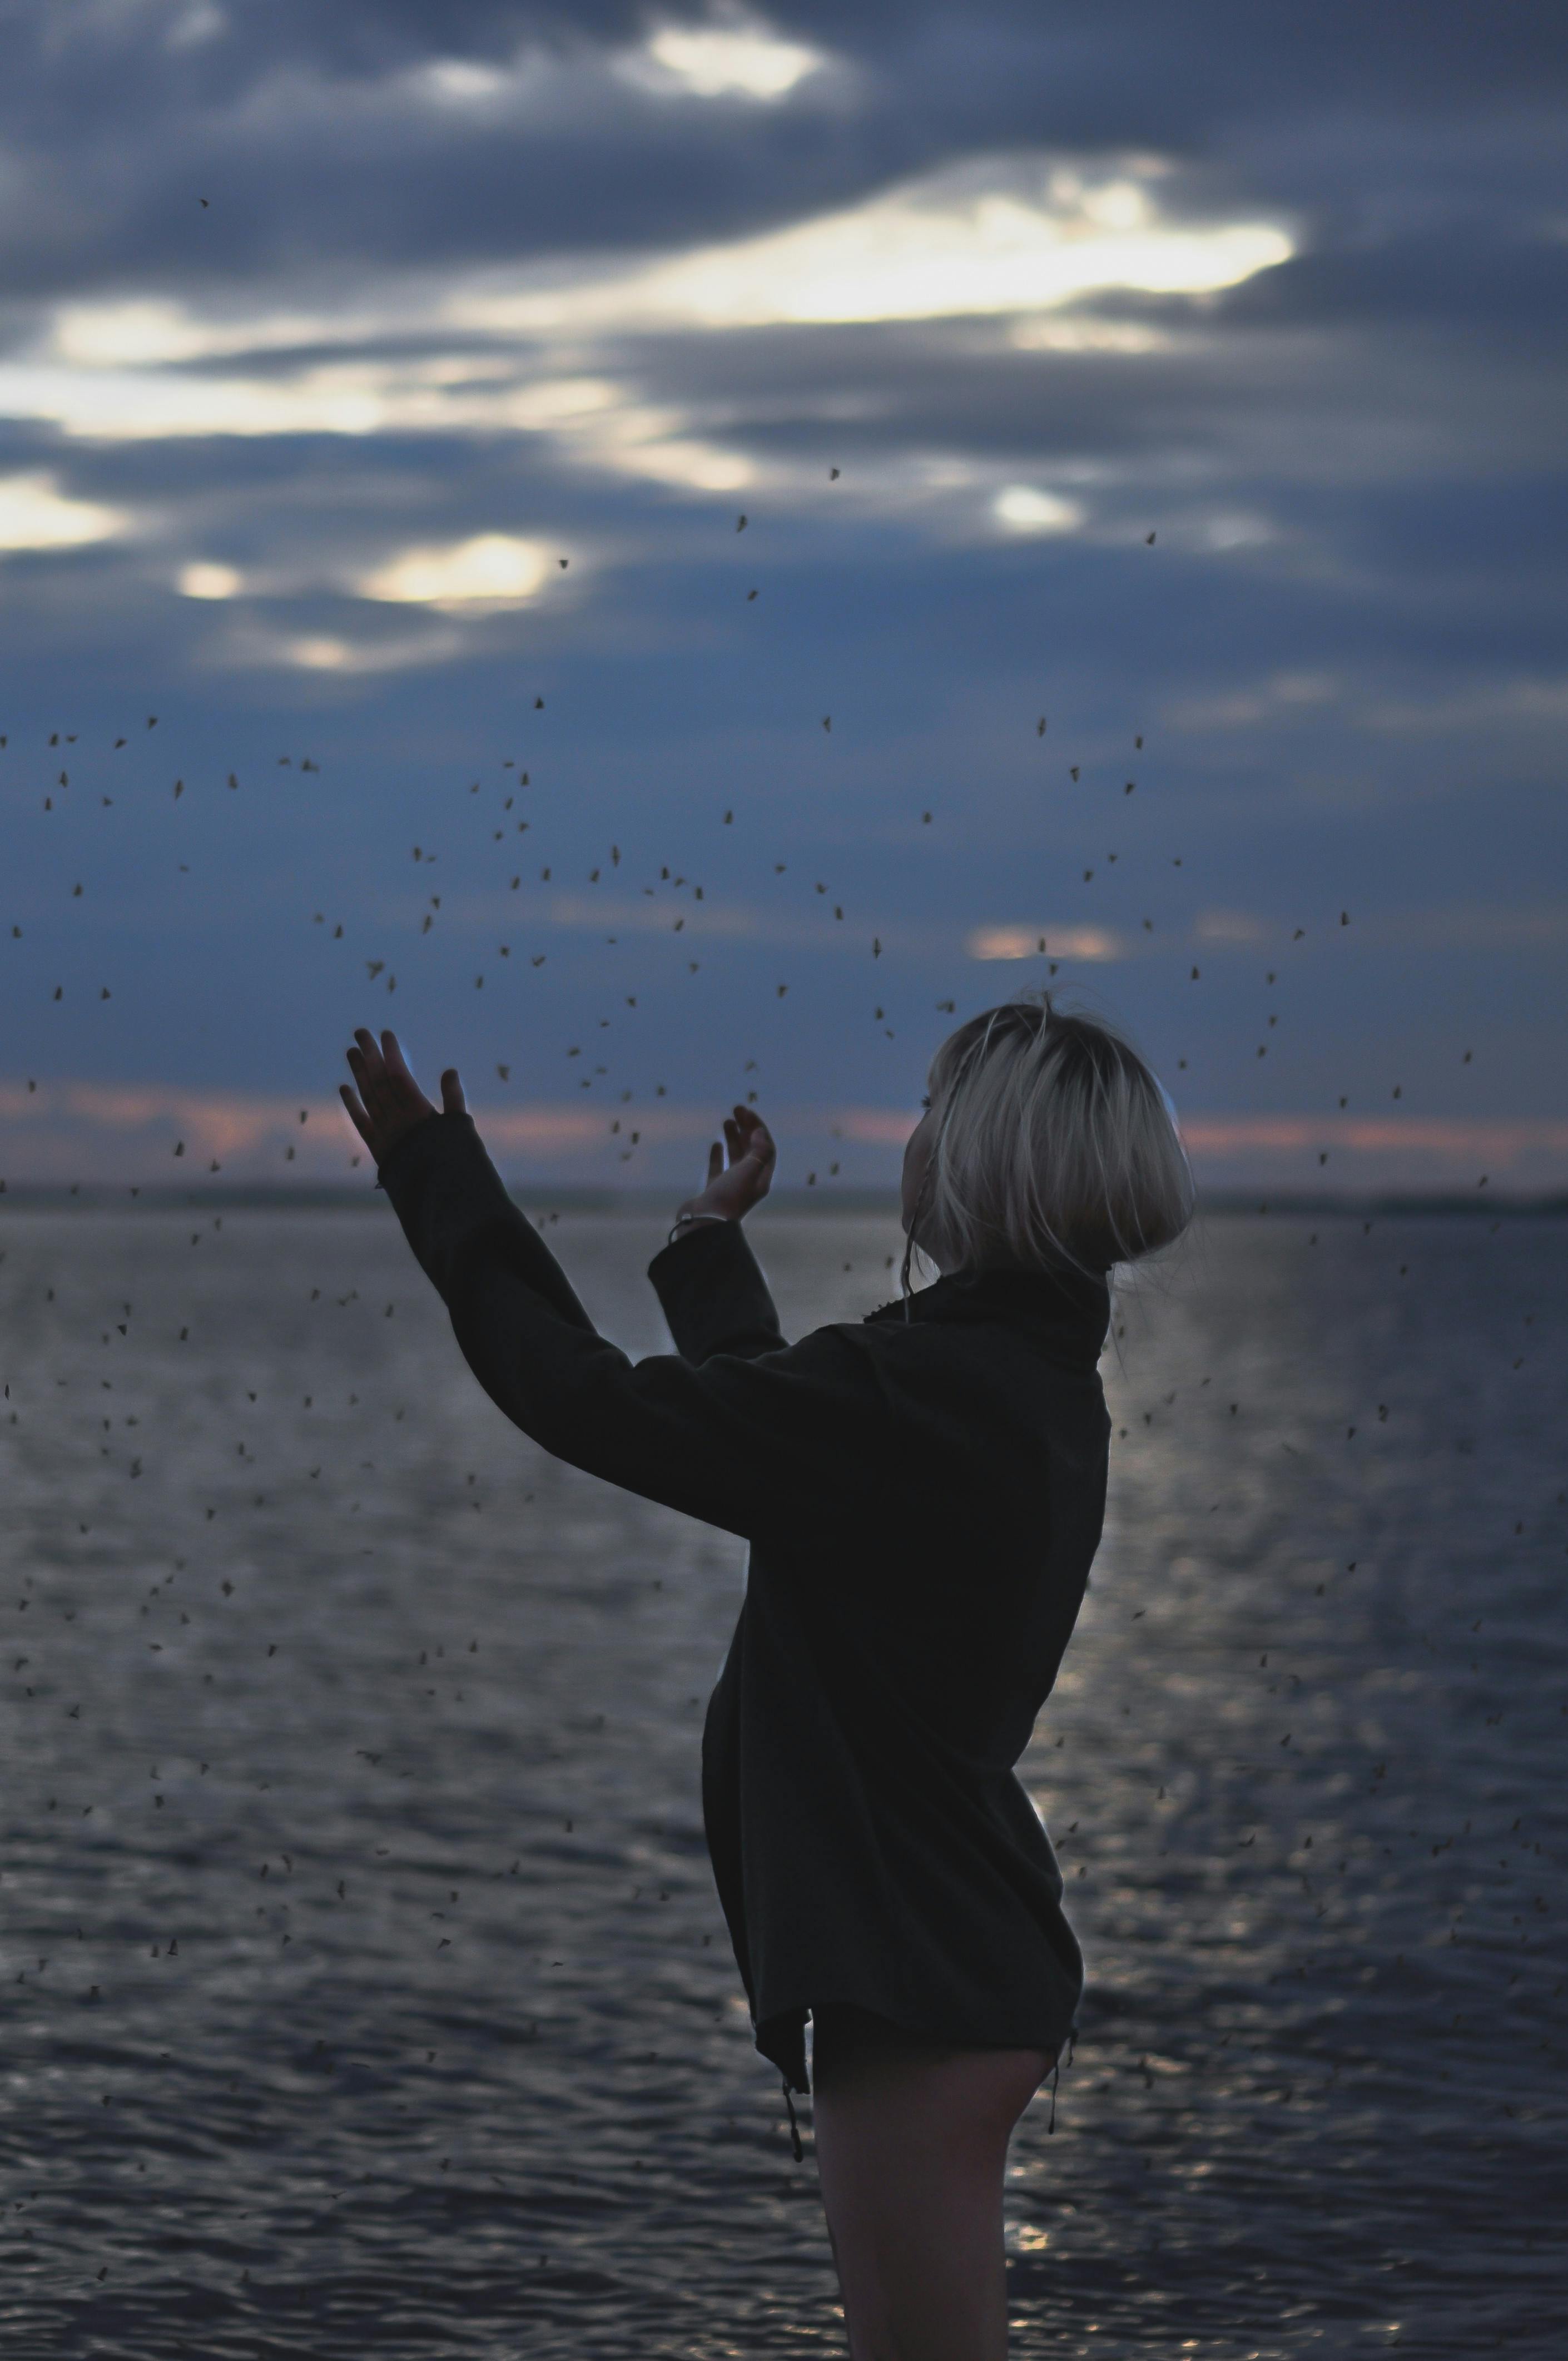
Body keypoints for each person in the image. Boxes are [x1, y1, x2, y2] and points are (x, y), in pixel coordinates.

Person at [341, 993, 1194, 2361]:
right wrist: (706, 1241)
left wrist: (433, 1174)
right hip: (955, 1961)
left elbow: (590, 1402)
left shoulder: (928, 1392)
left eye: (930, 1107)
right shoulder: (1018, 1383)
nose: (913, 1133)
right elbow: (787, 1444)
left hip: (914, 1985)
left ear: (982, 1156)